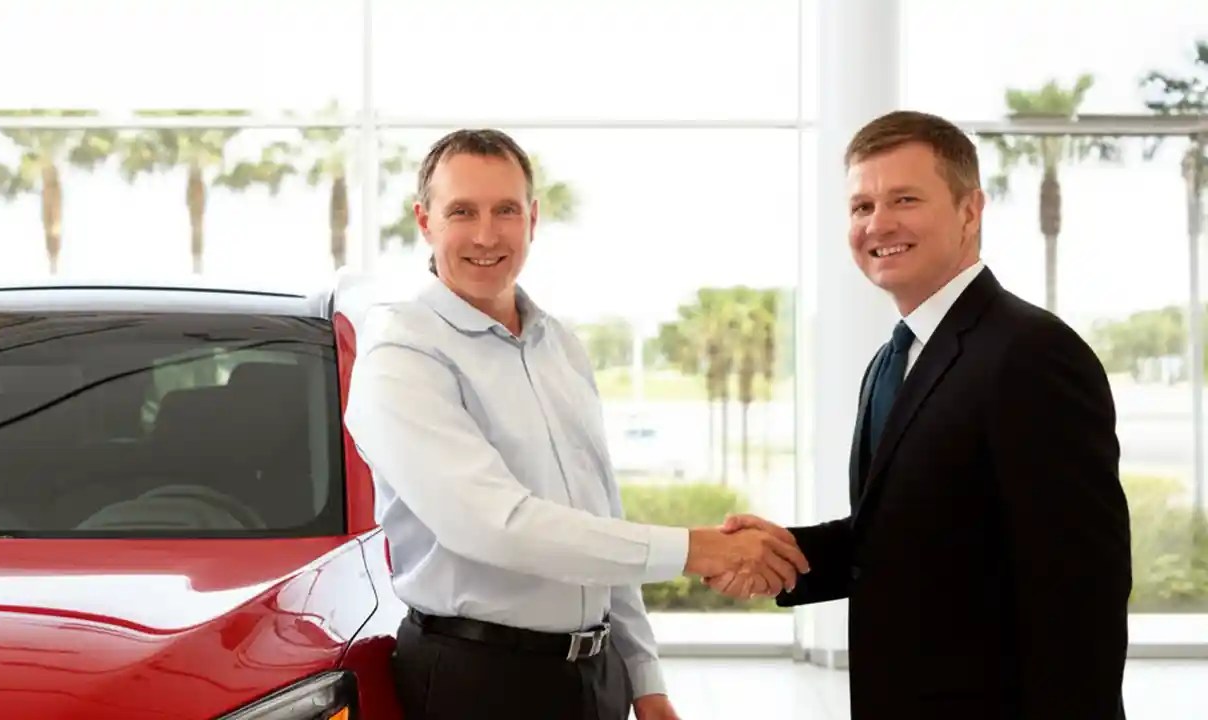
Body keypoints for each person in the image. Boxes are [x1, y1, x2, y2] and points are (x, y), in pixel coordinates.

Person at [346, 128, 809, 720]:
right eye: (462, 211)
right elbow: (494, 526)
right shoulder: (402, 355)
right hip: (479, 680)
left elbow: (601, 517)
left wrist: (644, 677)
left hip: (595, 675)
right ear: (424, 221)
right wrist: (699, 550)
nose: (486, 235)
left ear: (533, 219)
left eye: (506, 210)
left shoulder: (558, 345)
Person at [709, 110, 1132, 719]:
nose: (878, 223)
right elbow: (899, 536)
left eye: (904, 199)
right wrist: (785, 553)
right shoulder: (892, 359)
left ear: (970, 210)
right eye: (861, 206)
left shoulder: (1033, 353)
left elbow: (1082, 590)